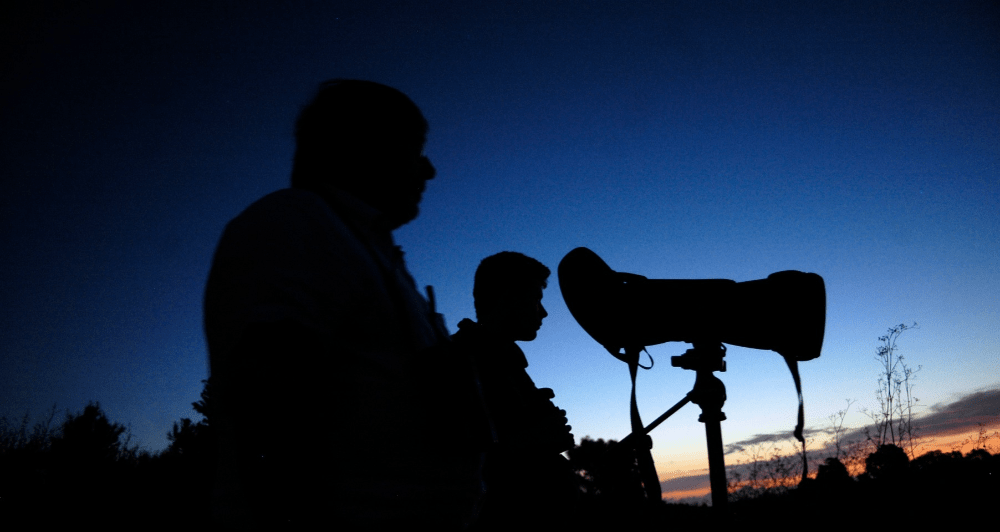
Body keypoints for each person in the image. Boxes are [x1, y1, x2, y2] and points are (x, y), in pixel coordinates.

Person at [203, 79, 481, 529]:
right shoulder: (296, 223)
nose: (428, 170)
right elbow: (268, 405)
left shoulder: (363, 248)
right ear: (367, 145)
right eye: (415, 149)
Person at [446, 252, 578, 530]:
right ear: (507, 298)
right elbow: (456, 455)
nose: (543, 312)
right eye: (535, 298)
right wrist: (539, 437)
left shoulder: (501, 358)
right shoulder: (462, 358)